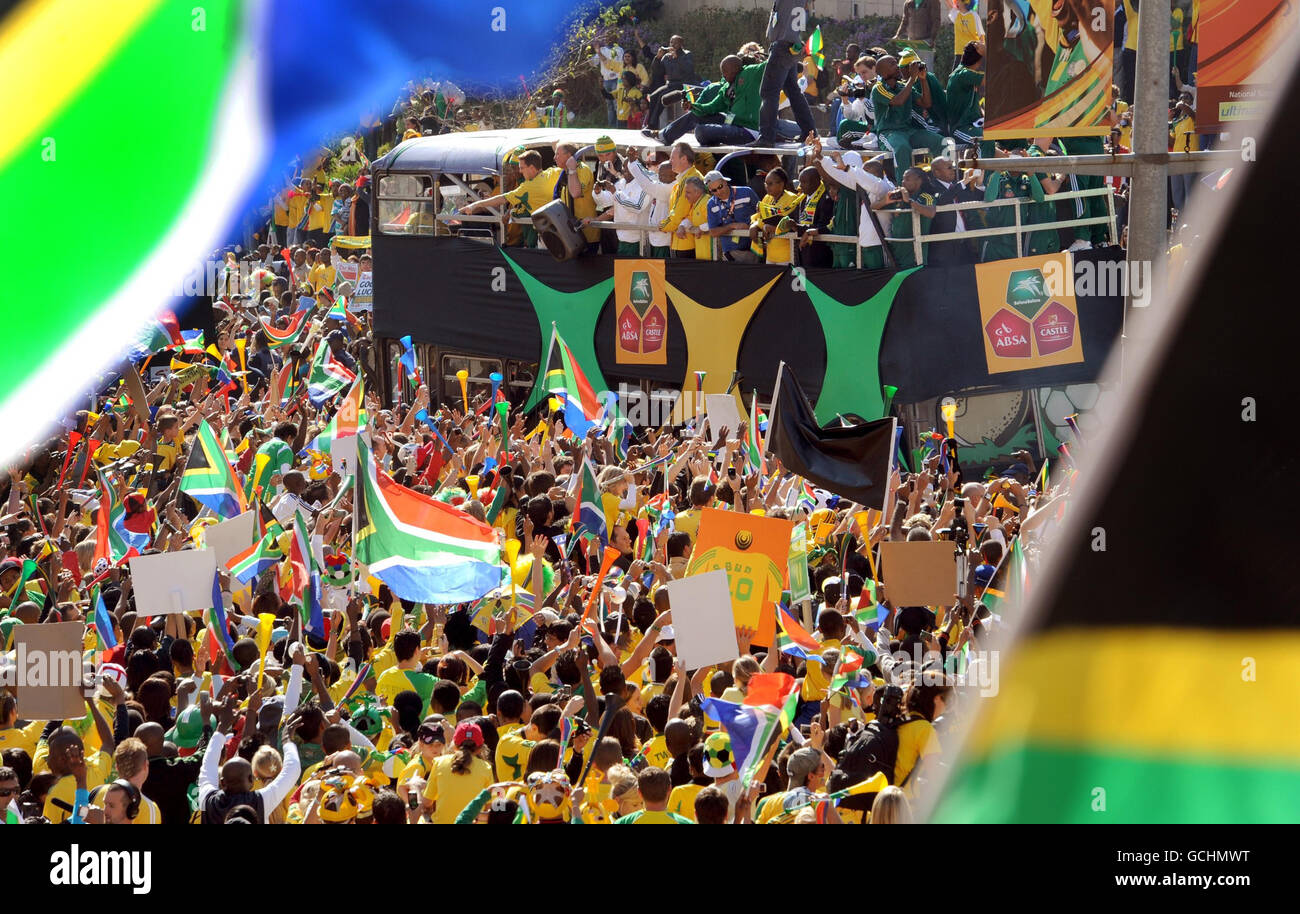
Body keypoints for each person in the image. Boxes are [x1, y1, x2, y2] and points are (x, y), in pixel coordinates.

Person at [751, 0, 816, 147]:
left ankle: (766, 137)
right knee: (793, 91)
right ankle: (810, 132)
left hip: (782, 45)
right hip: (791, 45)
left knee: (768, 91)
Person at [872, 55, 940, 183]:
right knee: (902, 148)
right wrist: (913, 78)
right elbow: (898, 101)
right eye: (893, 64)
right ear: (884, 72)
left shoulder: (903, 86)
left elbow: (926, 103)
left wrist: (923, 80)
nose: (897, 67)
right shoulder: (879, 88)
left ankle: (940, 184)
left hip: (908, 131)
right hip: (889, 132)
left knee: (941, 142)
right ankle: (904, 190)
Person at [421, 721, 493, 823]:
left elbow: (426, 803)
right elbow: (490, 807)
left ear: (454, 744)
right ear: (480, 748)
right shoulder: (486, 768)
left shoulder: (439, 762)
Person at [657, 142, 704, 259]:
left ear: (684, 159)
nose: (670, 161)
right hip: (687, 240)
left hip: (685, 242)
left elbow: (678, 213)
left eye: (672, 157)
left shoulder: (688, 180)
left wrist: (663, 226)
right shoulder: (689, 177)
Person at [749, 166, 804, 265]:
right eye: (766, 183)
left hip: (787, 255)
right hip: (770, 255)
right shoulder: (767, 198)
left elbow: (791, 225)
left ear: (781, 184)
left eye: (770, 184)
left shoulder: (792, 199)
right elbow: (761, 219)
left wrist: (772, 228)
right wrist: (755, 225)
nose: (767, 186)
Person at [704, 169, 760, 263]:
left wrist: (753, 225)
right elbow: (713, 232)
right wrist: (732, 226)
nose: (718, 192)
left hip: (753, 248)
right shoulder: (711, 204)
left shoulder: (746, 192)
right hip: (730, 253)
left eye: (720, 186)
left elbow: (762, 213)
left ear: (725, 182)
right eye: (714, 190)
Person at [892, 0, 942, 70]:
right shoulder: (908, 3)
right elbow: (905, 20)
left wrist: (932, 38)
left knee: (926, 69)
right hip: (911, 42)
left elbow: (936, 21)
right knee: (910, 69)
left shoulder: (933, 2)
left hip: (926, 42)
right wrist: (898, 35)